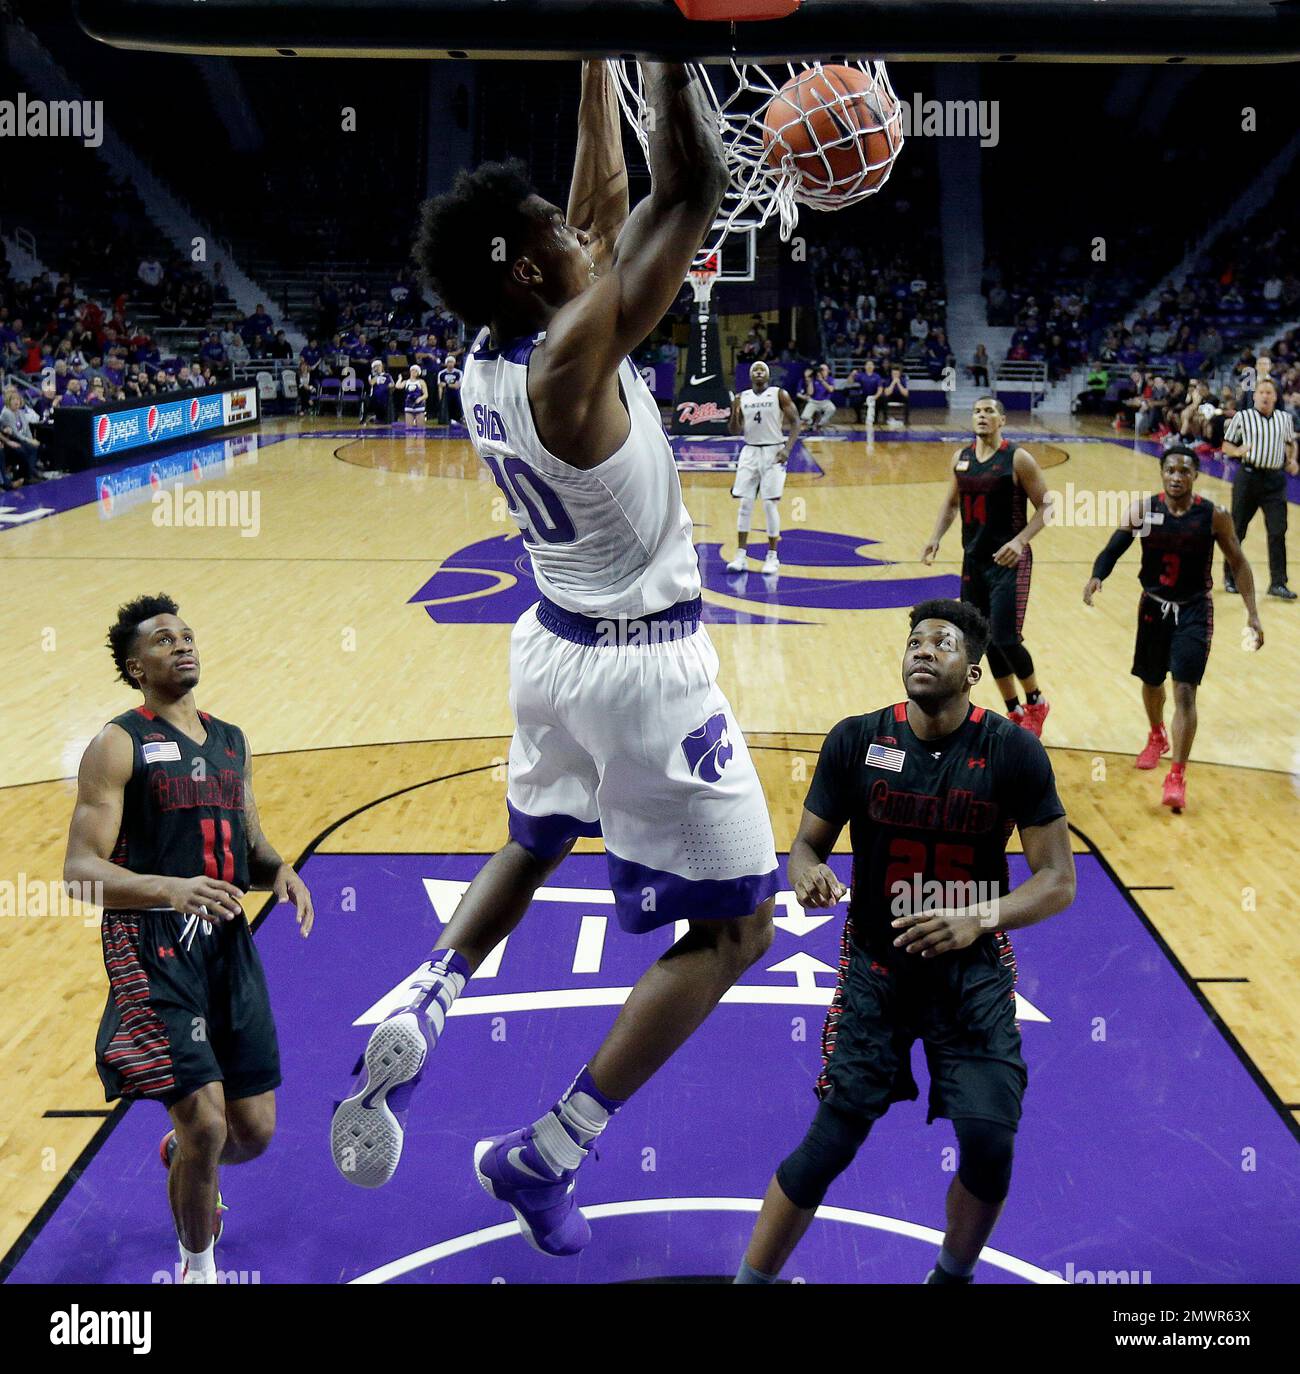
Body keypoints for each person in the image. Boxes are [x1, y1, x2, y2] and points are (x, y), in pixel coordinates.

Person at [329, 61, 777, 1257]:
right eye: (563, 246)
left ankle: (429, 999)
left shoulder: (490, 347)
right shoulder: (571, 360)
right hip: (646, 674)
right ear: (539, 277)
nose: (589, 241)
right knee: (741, 928)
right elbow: (693, 182)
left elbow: (599, 203)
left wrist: (598, 60)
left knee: (535, 837)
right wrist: (677, 50)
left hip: (550, 647)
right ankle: (550, 1148)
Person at [734, 600, 1076, 1285]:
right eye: (915, 641)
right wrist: (807, 873)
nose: (923, 650)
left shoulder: (1011, 751)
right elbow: (803, 847)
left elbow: (1059, 880)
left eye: (943, 644)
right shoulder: (856, 740)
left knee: (988, 1146)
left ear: (974, 671)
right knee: (828, 1143)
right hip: (877, 973)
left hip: (969, 976)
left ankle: (951, 1277)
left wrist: (980, 917)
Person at [62, 595, 313, 1283]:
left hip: (225, 942)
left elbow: (249, 842)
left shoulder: (230, 739)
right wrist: (171, 887)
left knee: (251, 1132)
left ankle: (185, 1160)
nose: (181, 645)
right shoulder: (118, 743)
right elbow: (80, 872)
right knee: (207, 1121)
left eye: (187, 634)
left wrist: (280, 869)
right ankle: (196, 1268)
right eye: (163, 640)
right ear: (134, 665)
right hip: (152, 943)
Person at [1084, 447, 1263, 812]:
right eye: (1170, 470)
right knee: (1152, 681)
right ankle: (1156, 734)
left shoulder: (1214, 516)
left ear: (1196, 475)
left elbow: (1239, 563)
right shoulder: (1144, 510)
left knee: (1184, 690)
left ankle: (1177, 774)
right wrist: (1097, 576)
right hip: (1153, 606)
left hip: (1195, 609)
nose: (1176, 476)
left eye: (1184, 471)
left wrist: (1253, 614)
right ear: (1162, 473)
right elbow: (1113, 548)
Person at [922, 397, 1054, 736]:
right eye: (977, 411)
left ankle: (1036, 701)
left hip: (1009, 561)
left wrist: (1020, 540)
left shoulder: (1017, 458)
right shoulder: (961, 458)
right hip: (974, 561)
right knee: (983, 640)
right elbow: (951, 504)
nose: (982, 416)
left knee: (1007, 638)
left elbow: (1047, 508)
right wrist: (936, 536)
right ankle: (1013, 709)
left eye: (989, 411)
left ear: (1002, 419)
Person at [1221, 377, 1298, 600]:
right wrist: (1237, 452)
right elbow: (1226, 445)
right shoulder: (1242, 417)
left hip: (1275, 481)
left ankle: (1278, 583)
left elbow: (1290, 443)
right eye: (1261, 392)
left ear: (1275, 397)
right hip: (1249, 478)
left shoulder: (1285, 419)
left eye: (1269, 392)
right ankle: (1230, 577)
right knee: (1238, 530)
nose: (1265, 396)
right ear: (1254, 396)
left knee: (1277, 531)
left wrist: (1292, 460)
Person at [726, 360, 802, 574]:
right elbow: (734, 430)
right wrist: (734, 411)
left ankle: (772, 556)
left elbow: (796, 422)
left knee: (770, 505)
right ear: (751, 376)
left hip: (773, 451)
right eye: (755, 370)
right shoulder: (742, 398)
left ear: (767, 375)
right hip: (750, 451)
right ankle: (740, 556)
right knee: (745, 504)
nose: (758, 372)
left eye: (762, 370)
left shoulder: (779, 394)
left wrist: (787, 449)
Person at [801, 363, 837, 431]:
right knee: (804, 417)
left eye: (824, 370)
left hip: (825, 401)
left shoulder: (830, 379)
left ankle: (820, 423)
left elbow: (831, 389)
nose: (822, 371)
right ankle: (811, 424)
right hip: (814, 401)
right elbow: (810, 393)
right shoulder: (814, 379)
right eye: (821, 370)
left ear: (828, 371)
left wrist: (822, 380)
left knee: (832, 408)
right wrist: (809, 380)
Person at [362, 358, 393, 425]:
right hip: (374, 397)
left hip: (385, 398)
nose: (378, 367)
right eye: (376, 366)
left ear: (382, 367)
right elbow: (372, 383)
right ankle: (364, 419)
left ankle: (378, 418)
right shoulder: (371, 376)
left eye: (379, 366)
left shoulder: (387, 375)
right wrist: (377, 375)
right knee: (367, 400)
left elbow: (392, 385)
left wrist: (388, 386)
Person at [437, 353, 463, 426]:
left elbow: (457, 386)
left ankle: (457, 420)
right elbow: (440, 386)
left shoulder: (458, 373)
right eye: (448, 362)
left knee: (456, 409)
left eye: (451, 362)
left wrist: (446, 385)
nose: (450, 364)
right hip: (445, 395)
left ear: (454, 363)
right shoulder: (441, 373)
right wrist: (440, 398)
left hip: (455, 394)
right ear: (446, 363)